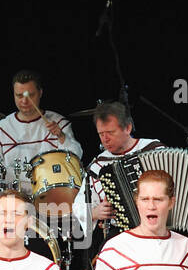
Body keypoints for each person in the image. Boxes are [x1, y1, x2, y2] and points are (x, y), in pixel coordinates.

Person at [0, 69, 82, 193]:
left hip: (49, 195)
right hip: (12, 198)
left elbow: (76, 157)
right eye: (19, 96)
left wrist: (61, 136)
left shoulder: (58, 122)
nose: (24, 101)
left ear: (40, 93)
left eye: (30, 95)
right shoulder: (3, 128)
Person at [69, 101, 162, 255]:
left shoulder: (154, 150)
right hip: (122, 233)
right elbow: (77, 205)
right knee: (107, 251)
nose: (105, 139)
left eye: (110, 132)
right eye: (101, 134)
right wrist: (94, 212)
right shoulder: (98, 165)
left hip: (161, 227)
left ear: (128, 128)